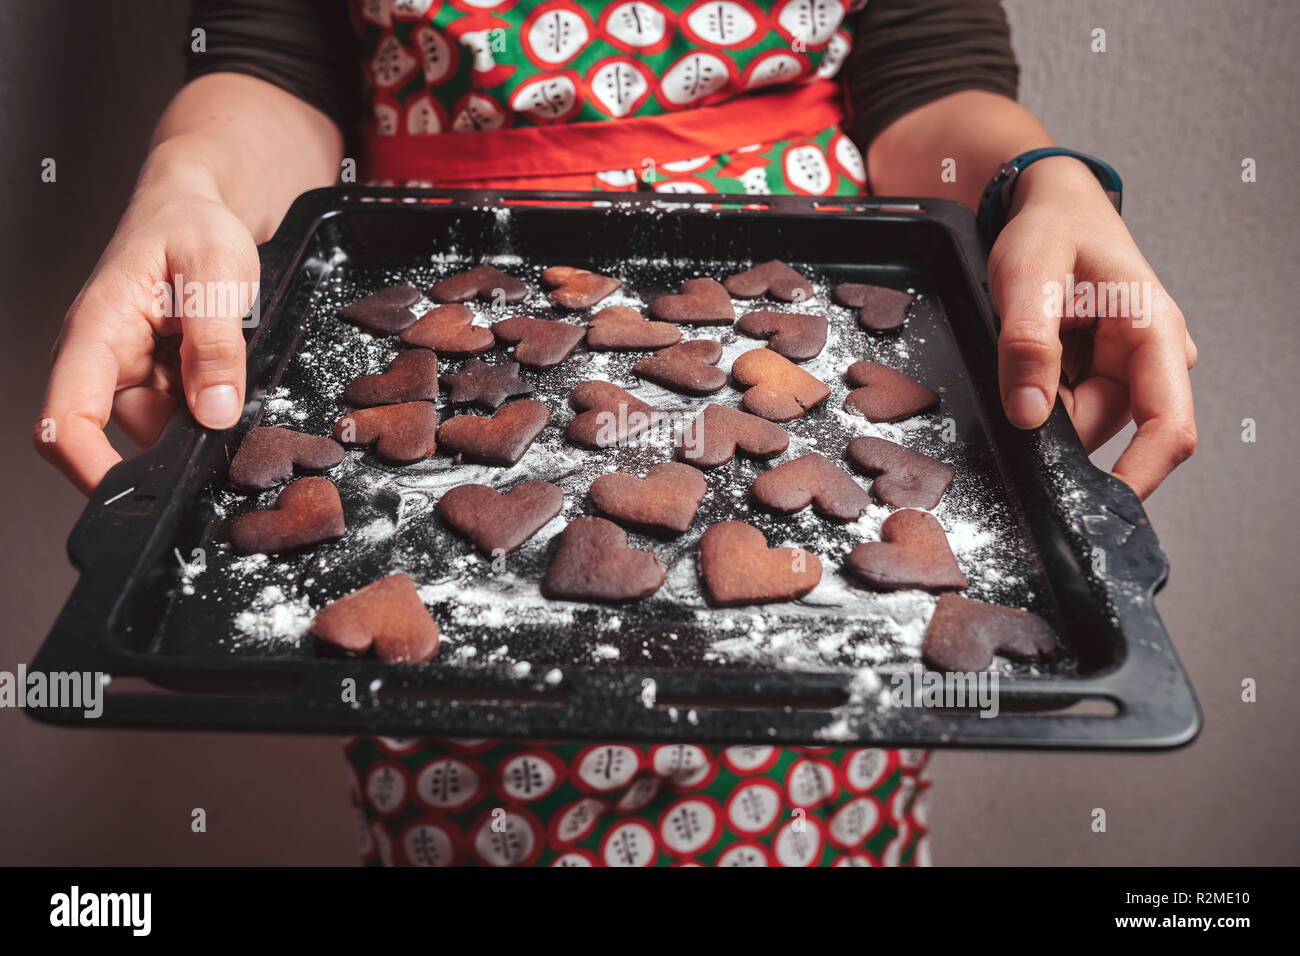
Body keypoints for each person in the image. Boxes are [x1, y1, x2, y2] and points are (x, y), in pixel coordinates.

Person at [35, 0, 1196, 866]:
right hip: (464, 319)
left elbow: (929, 76)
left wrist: (1042, 182)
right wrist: (186, 181)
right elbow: (271, 63)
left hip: (808, 331)